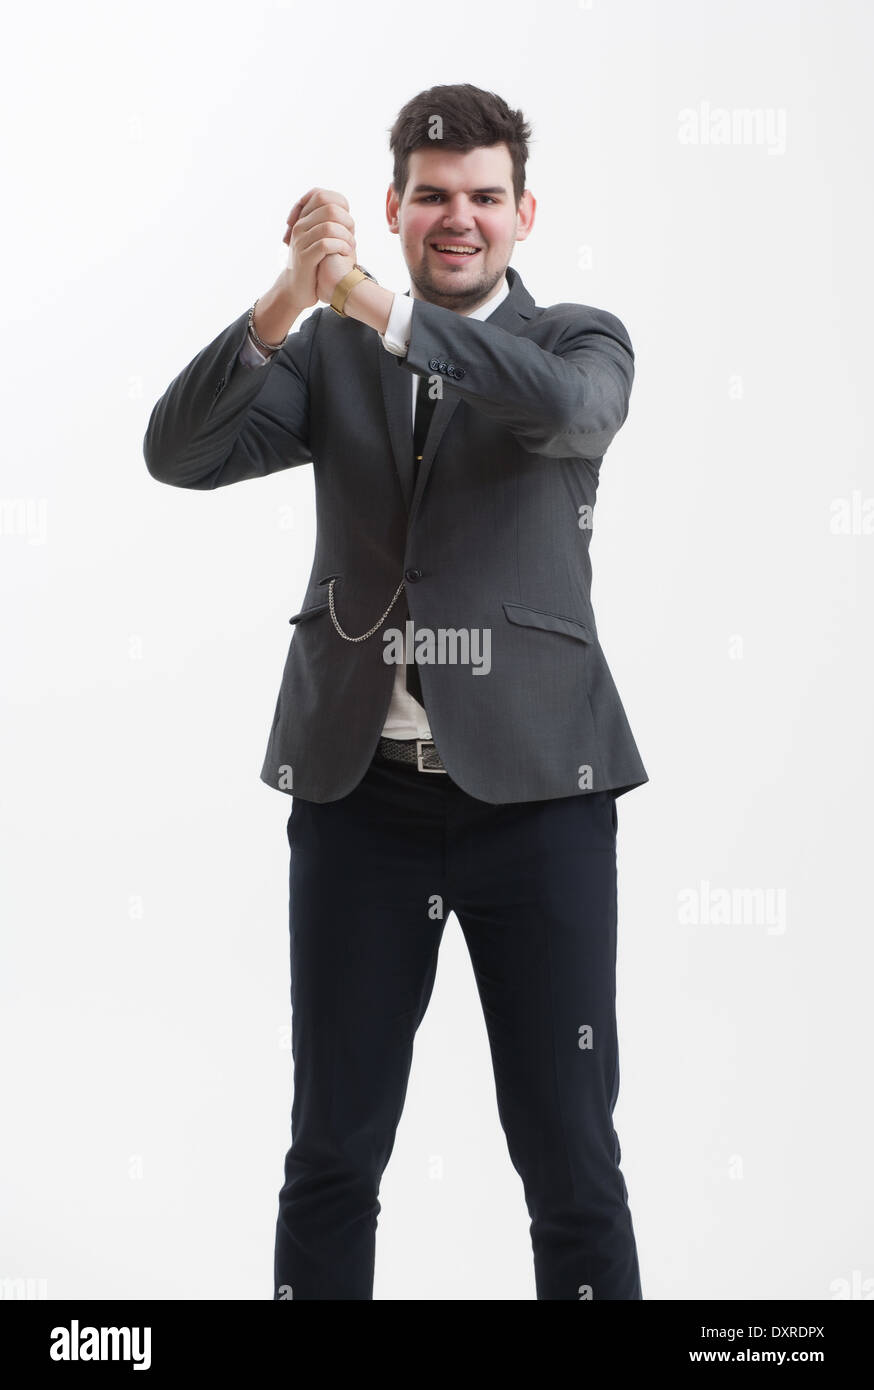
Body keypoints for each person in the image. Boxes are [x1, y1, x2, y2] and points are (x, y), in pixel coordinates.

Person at [144, 83, 648, 1300]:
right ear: (395, 206)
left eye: (483, 196)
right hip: (359, 798)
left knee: (571, 1160)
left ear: (525, 213)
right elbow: (182, 452)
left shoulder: (579, 340)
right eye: (432, 197)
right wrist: (287, 301)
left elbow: (569, 418)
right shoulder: (329, 351)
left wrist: (379, 306)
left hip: (539, 801)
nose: (457, 217)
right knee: (331, 1153)